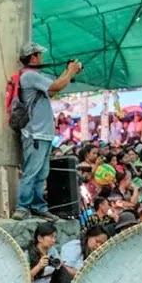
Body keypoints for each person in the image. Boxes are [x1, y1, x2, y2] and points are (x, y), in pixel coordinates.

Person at [13, 42, 83, 218]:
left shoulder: (34, 76)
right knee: (32, 172)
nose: (42, 58)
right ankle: (23, 207)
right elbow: (56, 87)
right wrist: (71, 71)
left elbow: (52, 90)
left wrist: (68, 72)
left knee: (41, 173)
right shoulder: (29, 76)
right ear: (33, 57)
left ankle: (38, 206)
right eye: (39, 55)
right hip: (35, 132)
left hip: (42, 132)